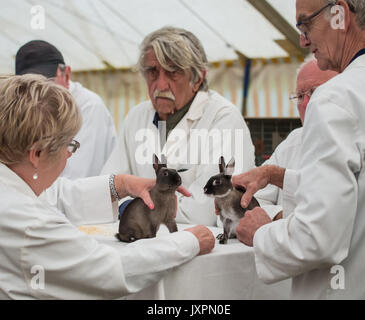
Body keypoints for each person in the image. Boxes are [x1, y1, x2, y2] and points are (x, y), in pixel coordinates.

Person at [0, 74, 215, 299]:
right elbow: (110, 270)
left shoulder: (10, 187)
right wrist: (189, 241)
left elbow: (54, 196)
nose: (69, 154)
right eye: (69, 145)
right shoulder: (29, 223)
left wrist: (120, 184)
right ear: (37, 154)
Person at [234, 0, 365, 299]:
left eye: (306, 23)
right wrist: (279, 175)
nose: (302, 39)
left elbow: (317, 239)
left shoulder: (336, 98)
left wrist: (262, 233)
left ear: (340, 14)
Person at [101, 26, 255, 226]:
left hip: (201, 251)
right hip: (138, 245)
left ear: (197, 78)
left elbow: (209, 208)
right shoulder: (137, 117)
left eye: (173, 72)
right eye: (152, 72)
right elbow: (106, 188)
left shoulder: (223, 119)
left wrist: (129, 206)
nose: (161, 85)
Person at [15, 40, 117, 179]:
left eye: (47, 83)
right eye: (31, 86)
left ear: (66, 74)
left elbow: (77, 179)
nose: (39, 93)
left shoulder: (89, 107)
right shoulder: (25, 109)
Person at [254, 58, 338, 221]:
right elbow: (253, 199)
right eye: (299, 96)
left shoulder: (359, 141)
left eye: (315, 92)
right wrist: (279, 216)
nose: (306, 103)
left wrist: (280, 218)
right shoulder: (293, 141)